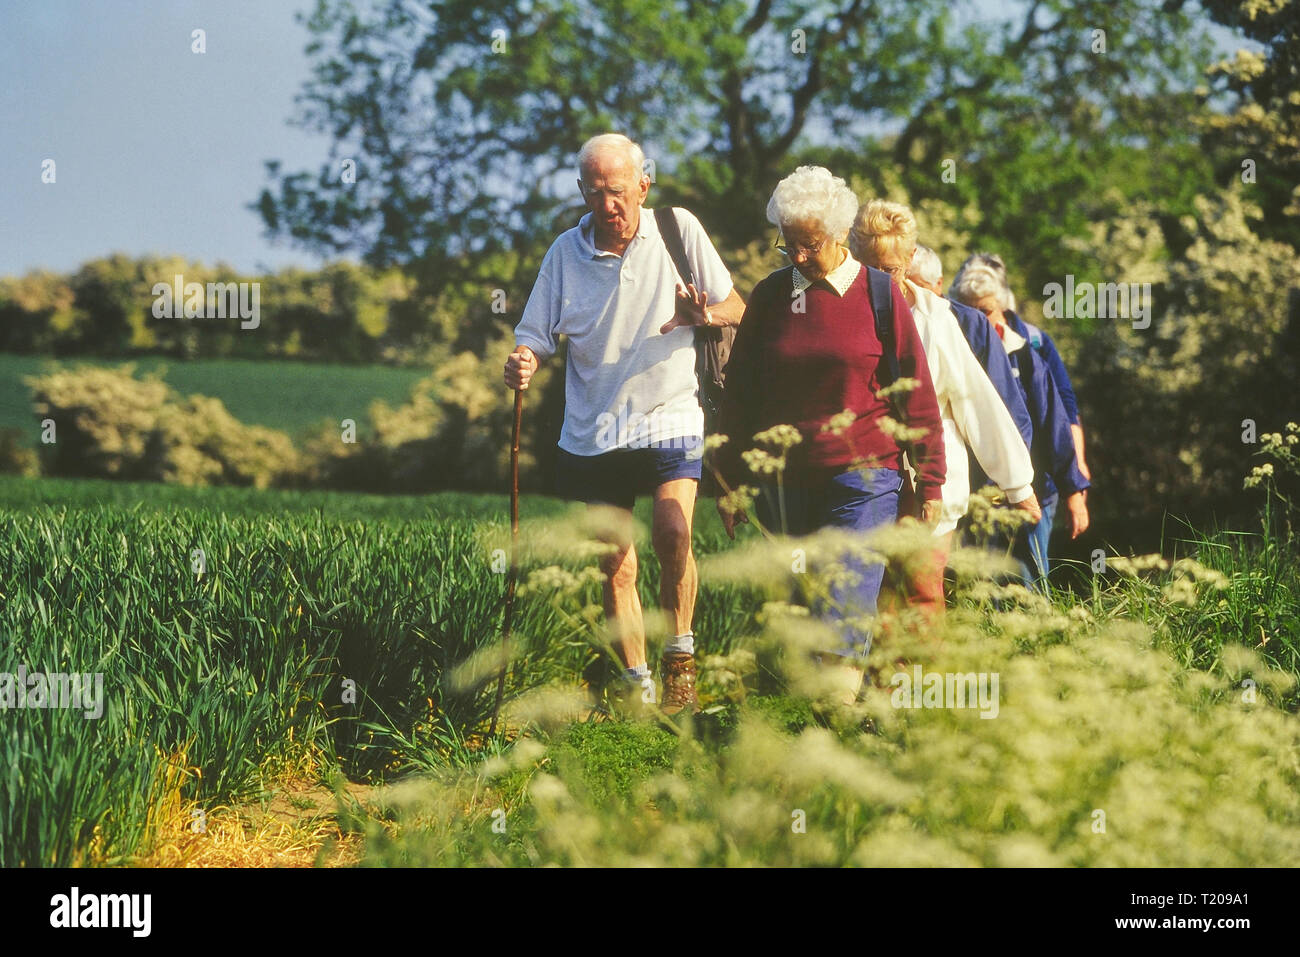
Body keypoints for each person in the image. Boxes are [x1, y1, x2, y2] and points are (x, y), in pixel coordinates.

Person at [504, 133, 745, 716]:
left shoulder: (678, 229)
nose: (608, 206)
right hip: (595, 427)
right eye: (594, 194)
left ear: (644, 182)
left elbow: (737, 306)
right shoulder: (565, 252)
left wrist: (702, 315)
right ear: (582, 193)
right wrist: (525, 359)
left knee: (673, 533)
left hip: (672, 411)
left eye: (617, 192)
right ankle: (636, 684)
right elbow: (534, 331)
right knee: (615, 561)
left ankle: (680, 661)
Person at [712, 166, 946, 703]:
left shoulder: (880, 295)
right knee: (805, 609)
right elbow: (741, 392)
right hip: (785, 486)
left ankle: (838, 726)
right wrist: (729, 482)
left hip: (866, 476)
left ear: (841, 234)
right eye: (786, 243)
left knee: (843, 602)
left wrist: (930, 478)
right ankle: (829, 719)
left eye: (808, 244)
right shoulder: (772, 297)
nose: (795, 256)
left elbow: (916, 390)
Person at [848, 202, 1040, 620]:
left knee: (921, 592)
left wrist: (1017, 484)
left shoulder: (936, 317)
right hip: (860, 475)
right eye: (874, 269)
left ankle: (920, 684)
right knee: (870, 599)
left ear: (910, 259)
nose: (885, 279)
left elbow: (974, 399)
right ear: (855, 261)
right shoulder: (839, 312)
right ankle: (870, 685)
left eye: (894, 269)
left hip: (929, 477)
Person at [950, 261, 1090, 586]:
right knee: (981, 582)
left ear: (1001, 305)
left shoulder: (1030, 348)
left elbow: (1060, 414)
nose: (979, 322)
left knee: (1028, 578)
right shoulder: (957, 351)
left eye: (985, 311)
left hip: (1037, 487)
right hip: (980, 492)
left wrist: (1074, 486)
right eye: (969, 313)